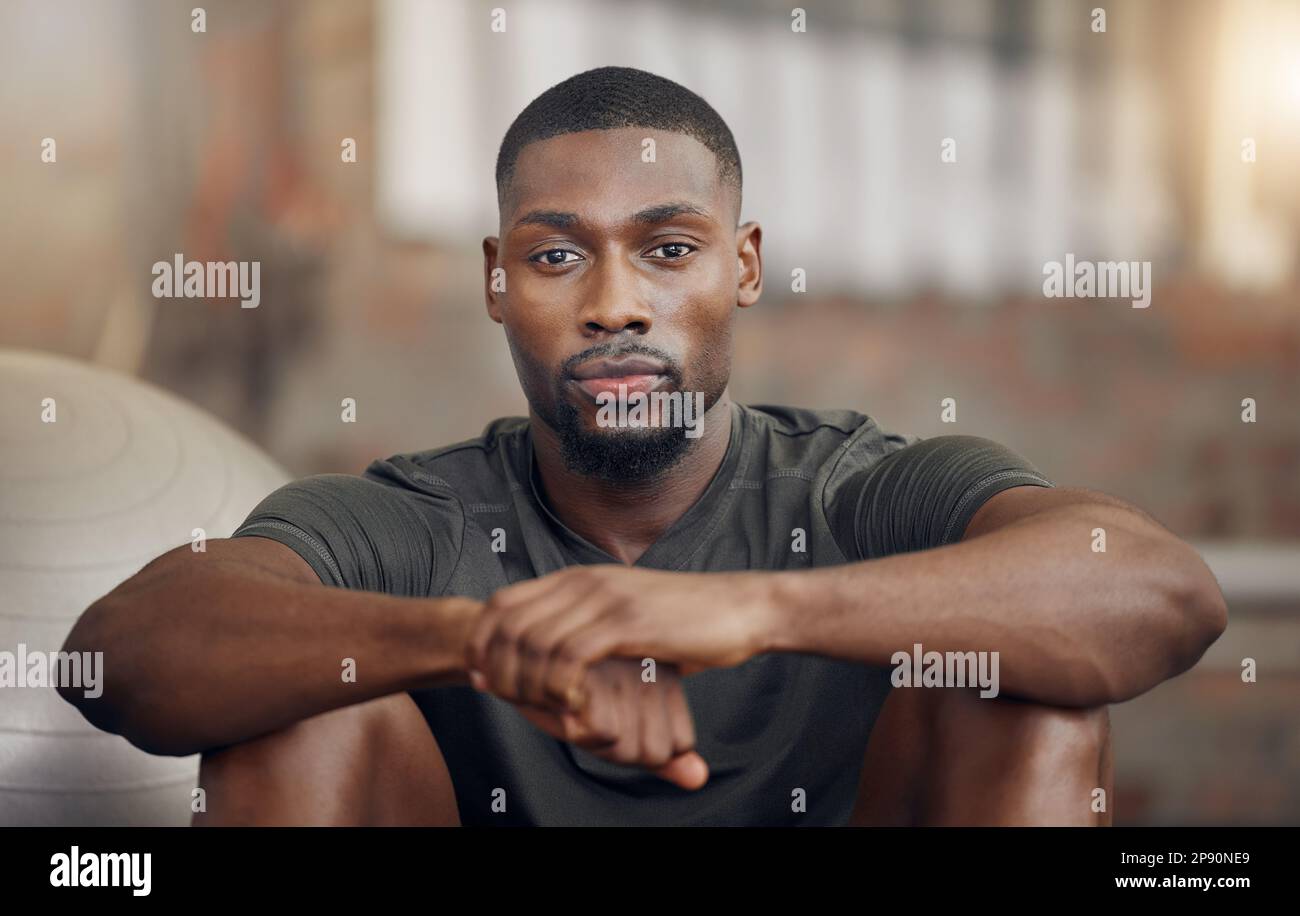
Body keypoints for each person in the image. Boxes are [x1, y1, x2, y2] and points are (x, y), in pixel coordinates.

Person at [60, 66, 1226, 826]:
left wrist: (758, 611)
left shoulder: (860, 488)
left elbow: (1162, 593)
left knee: (1023, 693)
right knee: (303, 705)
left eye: (668, 249)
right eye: (557, 255)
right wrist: (488, 640)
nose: (614, 302)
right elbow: (116, 656)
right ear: (496, 282)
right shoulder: (418, 520)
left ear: (746, 267)